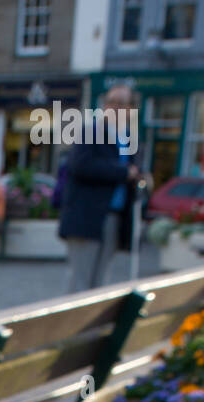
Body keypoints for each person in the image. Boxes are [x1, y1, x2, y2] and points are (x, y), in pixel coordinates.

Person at [58, 84, 145, 293]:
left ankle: (94, 324)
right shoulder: (90, 131)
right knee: (80, 280)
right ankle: (75, 324)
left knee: (100, 281)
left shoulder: (130, 139)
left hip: (114, 216)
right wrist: (124, 173)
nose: (116, 108)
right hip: (86, 216)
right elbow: (80, 166)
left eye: (122, 103)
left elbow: (132, 170)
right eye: (112, 102)